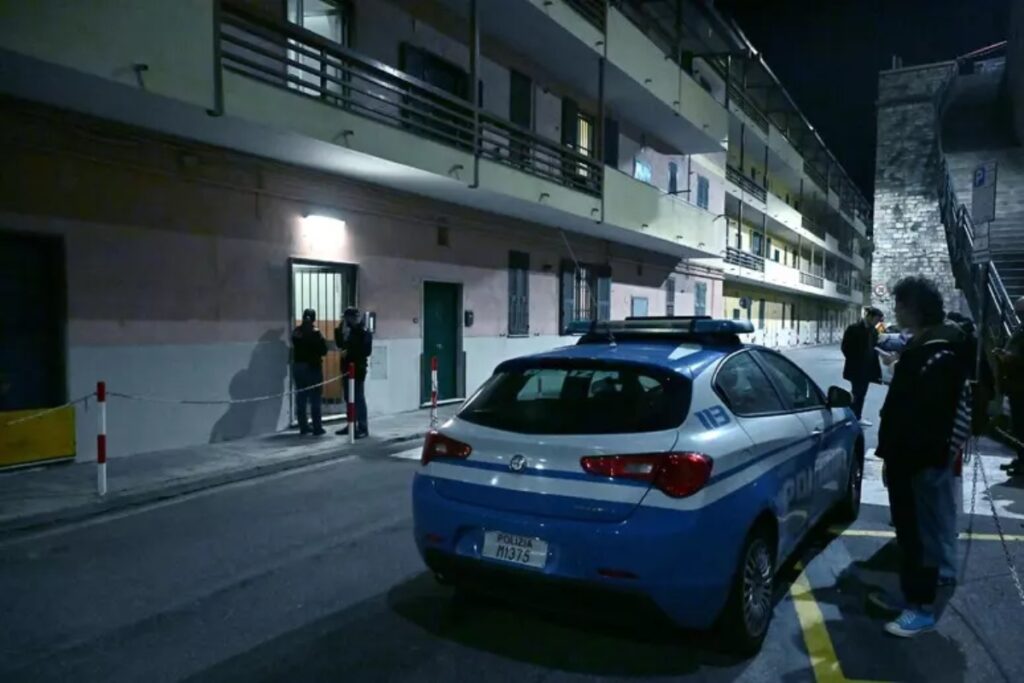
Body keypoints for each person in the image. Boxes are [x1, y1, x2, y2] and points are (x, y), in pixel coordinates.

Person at [872, 276, 967, 637]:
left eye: (899, 304)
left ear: (913, 308)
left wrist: (907, 458)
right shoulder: (928, 345)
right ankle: (913, 596)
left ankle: (921, 609)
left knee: (921, 534)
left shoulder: (937, 351)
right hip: (910, 457)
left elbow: (927, 416)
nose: (895, 311)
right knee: (914, 532)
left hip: (918, 460)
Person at [993, 296, 1024, 476]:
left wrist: (1009, 358)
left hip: (1020, 386)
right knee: (1017, 426)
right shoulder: (1020, 329)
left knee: (1019, 426)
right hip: (1015, 386)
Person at [841, 306, 884, 426]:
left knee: (861, 393)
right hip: (856, 368)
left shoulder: (873, 331)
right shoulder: (853, 329)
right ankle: (851, 417)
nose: (877, 322)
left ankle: (856, 417)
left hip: (868, 369)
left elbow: (875, 346)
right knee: (857, 393)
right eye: (876, 319)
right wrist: (854, 359)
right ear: (869, 316)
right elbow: (845, 347)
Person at [335, 307, 372, 439]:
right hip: (346, 369)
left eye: (350, 318)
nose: (348, 320)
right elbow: (339, 344)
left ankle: (362, 427)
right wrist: (341, 331)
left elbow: (366, 351)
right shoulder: (345, 330)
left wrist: (350, 351)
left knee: (358, 398)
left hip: (358, 369)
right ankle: (351, 424)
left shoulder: (363, 331)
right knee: (348, 398)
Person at [291, 308, 328, 436]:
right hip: (313, 368)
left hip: (299, 367)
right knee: (315, 398)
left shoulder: (296, 332)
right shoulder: (316, 333)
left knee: (301, 398)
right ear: (313, 319)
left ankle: (303, 427)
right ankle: (317, 427)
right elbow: (324, 350)